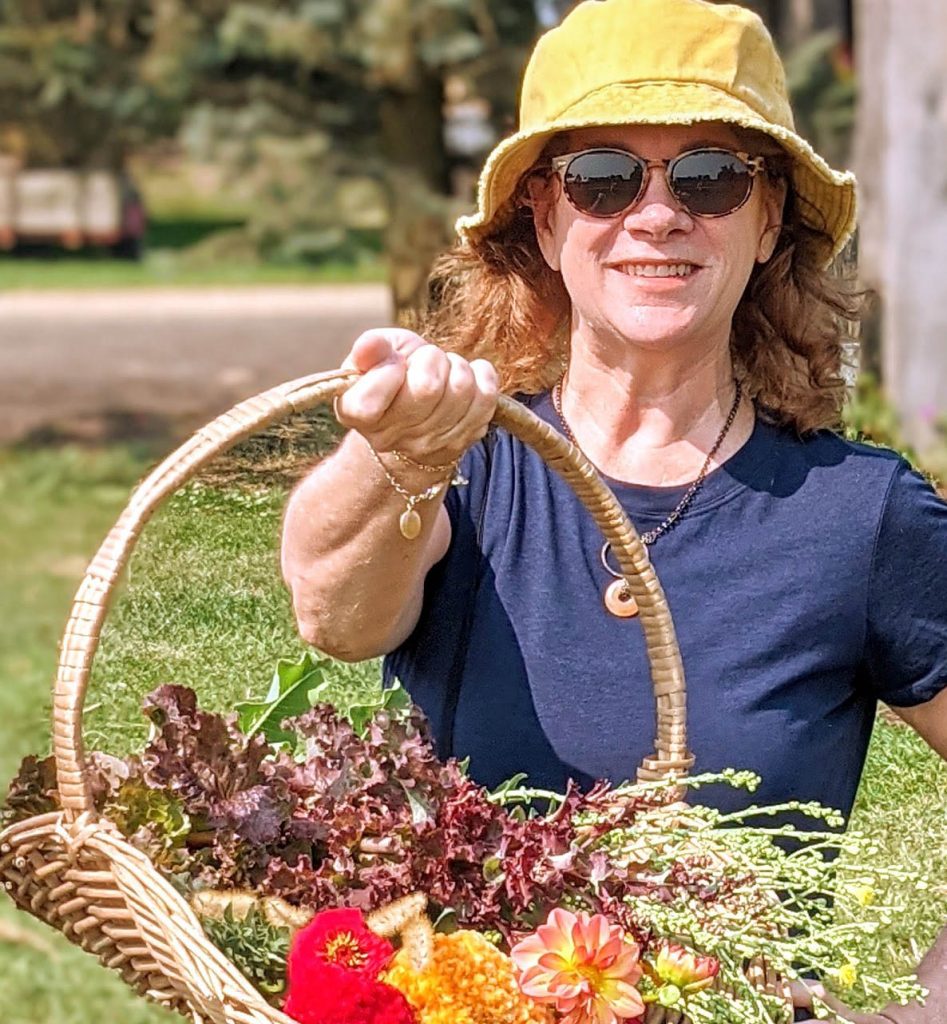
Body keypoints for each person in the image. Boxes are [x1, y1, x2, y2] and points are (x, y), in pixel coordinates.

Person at [281, 1, 947, 1019]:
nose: (656, 213)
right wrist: (392, 455)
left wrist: (918, 1009)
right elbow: (333, 613)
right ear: (544, 220)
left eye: (708, 176)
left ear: (767, 219)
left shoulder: (856, 515)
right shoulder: (466, 468)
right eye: (601, 176)